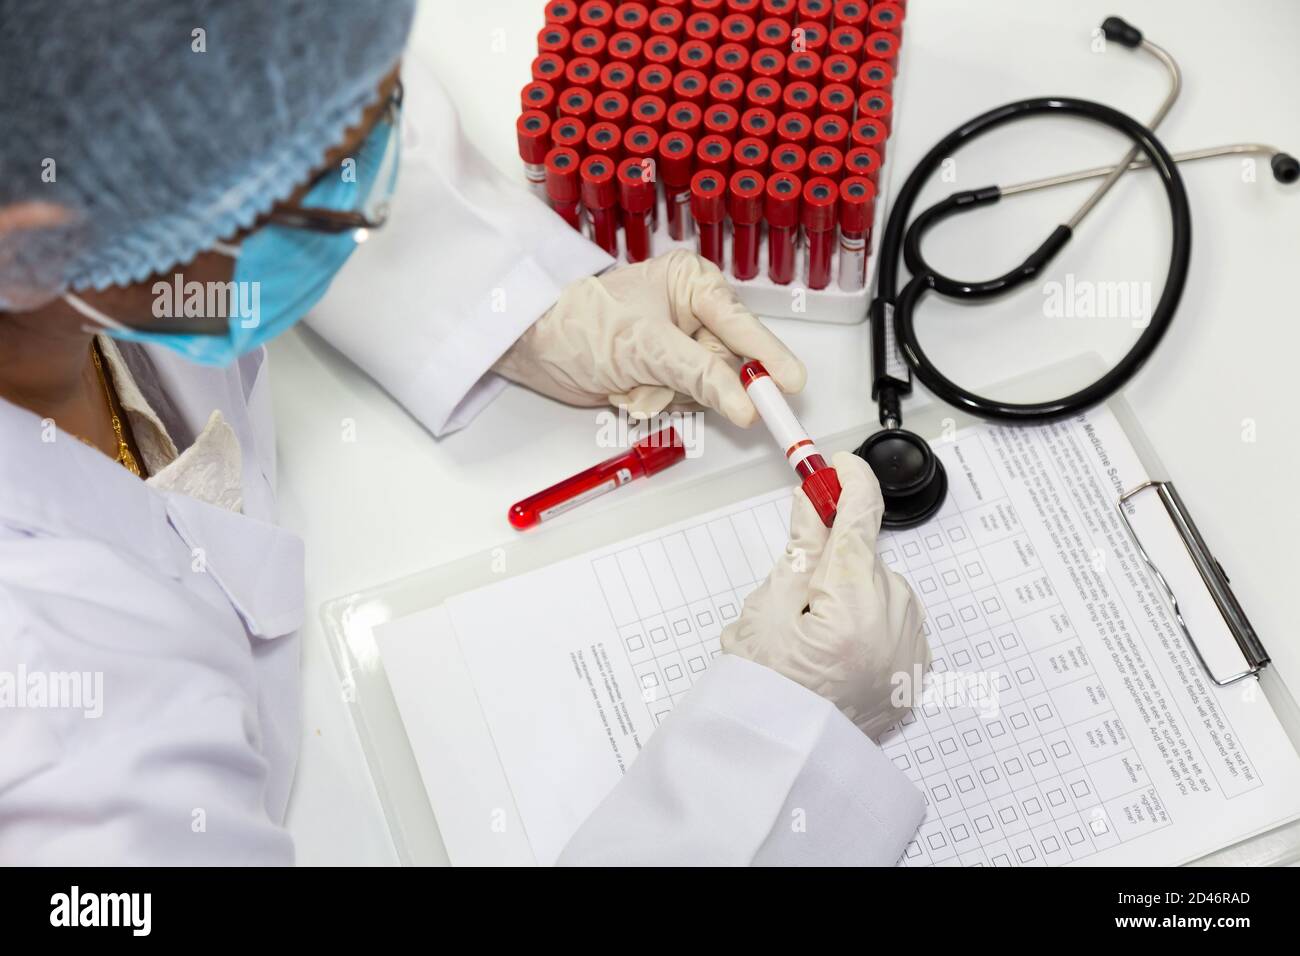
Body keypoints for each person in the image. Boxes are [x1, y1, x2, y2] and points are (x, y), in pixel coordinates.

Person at [0, 0, 930, 865]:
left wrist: (517, 306)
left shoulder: (87, 182)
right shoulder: (60, 752)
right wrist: (775, 749)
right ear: (34, 241)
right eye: (322, 184)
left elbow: (245, 107)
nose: (373, 192)